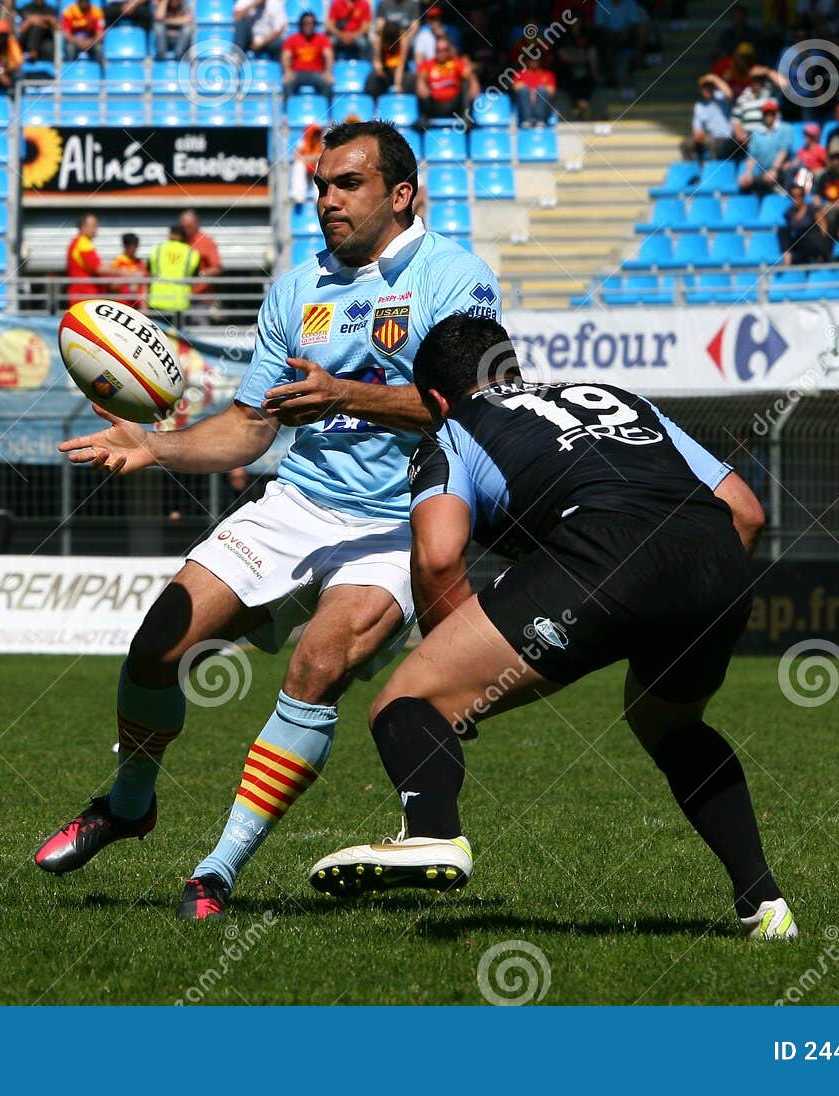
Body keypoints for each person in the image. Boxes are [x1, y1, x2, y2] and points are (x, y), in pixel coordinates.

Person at [31, 120, 501, 922]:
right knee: (158, 645)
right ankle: (130, 801)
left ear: (400, 193)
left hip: (399, 519)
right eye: (320, 186)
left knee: (317, 666)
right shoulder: (296, 288)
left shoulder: (455, 278)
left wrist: (347, 395)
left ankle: (216, 872)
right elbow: (253, 425)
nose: (327, 201)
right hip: (296, 503)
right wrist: (158, 444)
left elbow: (478, 404)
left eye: (347, 184)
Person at [305, 315, 796, 940]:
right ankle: (765, 904)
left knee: (407, 701)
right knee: (669, 722)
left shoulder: (451, 433)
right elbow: (746, 512)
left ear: (432, 399)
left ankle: (431, 833)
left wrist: (460, 688)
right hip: (716, 559)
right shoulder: (621, 399)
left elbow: (436, 557)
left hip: (602, 555)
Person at [416, 35, 479, 128]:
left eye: (444, 50)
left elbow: (469, 74)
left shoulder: (456, 63)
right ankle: (423, 119)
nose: (441, 53)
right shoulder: (428, 64)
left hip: (454, 105)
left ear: (449, 50)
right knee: (420, 84)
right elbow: (421, 77)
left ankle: (467, 119)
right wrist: (420, 83)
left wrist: (474, 83)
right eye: (438, 50)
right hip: (434, 105)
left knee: (467, 84)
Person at [145, 223, 201, 327]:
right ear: (183, 236)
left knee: (158, 337)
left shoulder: (157, 250)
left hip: (157, 301)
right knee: (178, 340)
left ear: (170, 234)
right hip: (179, 303)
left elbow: (148, 272)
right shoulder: (191, 253)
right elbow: (195, 277)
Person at [736, 98, 790, 195]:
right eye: (766, 113)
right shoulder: (757, 133)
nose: (768, 116)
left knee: (771, 178)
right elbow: (752, 156)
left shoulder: (784, 129)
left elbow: (783, 151)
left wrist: (774, 169)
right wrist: (748, 173)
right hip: (764, 172)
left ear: (775, 114)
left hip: (781, 170)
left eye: (771, 113)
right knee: (744, 182)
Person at [180, 208, 223, 312]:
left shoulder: (206, 242)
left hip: (200, 299)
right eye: (183, 227)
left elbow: (217, 268)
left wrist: (199, 274)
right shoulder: (179, 241)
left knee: (199, 327)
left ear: (197, 223)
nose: (186, 229)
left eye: (189, 226)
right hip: (179, 298)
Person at [681, 73, 733, 161]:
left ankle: (714, 169)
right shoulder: (699, 105)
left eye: (709, 86)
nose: (707, 89)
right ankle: (692, 169)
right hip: (709, 137)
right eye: (704, 87)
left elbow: (729, 94)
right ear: (700, 89)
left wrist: (714, 78)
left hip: (725, 138)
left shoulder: (721, 98)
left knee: (711, 143)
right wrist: (698, 135)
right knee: (685, 144)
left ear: (714, 87)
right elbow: (697, 128)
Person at [552, 22, 598, 120]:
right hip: (567, 71)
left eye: (578, 22)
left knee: (587, 79)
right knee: (570, 78)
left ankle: (582, 105)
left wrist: (594, 72)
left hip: (584, 71)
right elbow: (562, 55)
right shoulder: (563, 37)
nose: (576, 25)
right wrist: (579, 59)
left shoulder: (587, 37)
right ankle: (581, 105)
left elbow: (592, 55)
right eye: (574, 22)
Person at [282, 11, 333, 96]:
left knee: (327, 83)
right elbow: (286, 56)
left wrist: (328, 72)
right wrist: (287, 71)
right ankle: (289, 107)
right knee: (287, 83)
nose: (308, 26)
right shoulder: (292, 39)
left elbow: (329, 55)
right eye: (305, 23)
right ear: (301, 24)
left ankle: (327, 108)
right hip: (297, 73)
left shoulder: (322, 39)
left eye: (311, 23)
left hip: (317, 73)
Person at [778, 183, 829, 265]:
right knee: (782, 230)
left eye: (799, 195)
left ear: (803, 196)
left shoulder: (812, 209)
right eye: (793, 195)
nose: (796, 198)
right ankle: (787, 255)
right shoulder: (789, 213)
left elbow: (824, 227)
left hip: (813, 242)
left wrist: (823, 245)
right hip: (800, 243)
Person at [512, 53, 558, 130]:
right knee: (523, 91)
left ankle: (539, 120)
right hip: (525, 103)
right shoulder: (521, 73)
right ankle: (527, 120)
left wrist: (535, 94)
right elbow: (516, 88)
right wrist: (531, 94)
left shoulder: (548, 74)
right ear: (527, 61)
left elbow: (551, 91)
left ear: (540, 62)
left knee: (542, 90)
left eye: (536, 60)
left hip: (542, 105)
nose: (534, 62)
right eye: (531, 60)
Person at [104, 231, 147, 312]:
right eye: (132, 246)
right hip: (121, 305)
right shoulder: (117, 262)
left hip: (136, 306)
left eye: (136, 246)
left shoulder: (140, 263)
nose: (134, 249)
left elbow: (143, 286)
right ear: (125, 246)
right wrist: (128, 278)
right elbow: (112, 287)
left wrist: (144, 306)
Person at [65, 212, 102, 304]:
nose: (96, 229)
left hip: (81, 294)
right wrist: (125, 272)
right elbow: (97, 267)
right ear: (83, 227)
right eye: (93, 225)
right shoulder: (82, 243)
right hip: (84, 294)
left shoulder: (78, 242)